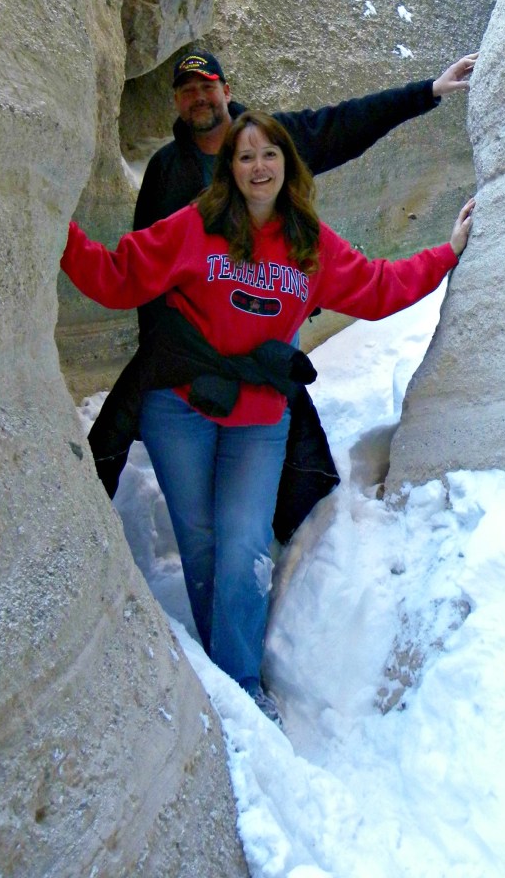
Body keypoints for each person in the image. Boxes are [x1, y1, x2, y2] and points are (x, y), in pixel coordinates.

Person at [62, 110, 475, 718]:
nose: (258, 167)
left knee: (245, 541)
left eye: (269, 155)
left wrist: (448, 251)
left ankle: (237, 684)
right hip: (180, 408)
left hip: (259, 416)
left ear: (287, 165)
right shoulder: (193, 228)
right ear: (230, 167)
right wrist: (53, 224)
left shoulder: (310, 245)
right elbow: (118, 278)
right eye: (245, 156)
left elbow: (380, 287)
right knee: (201, 540)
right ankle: (236, 685)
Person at [87, 46, 478, 539]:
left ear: (226, 92)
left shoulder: (270, 142)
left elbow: (343, 125)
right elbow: (143, 262)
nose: (199, 99)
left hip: (268, 328)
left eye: (207, 88)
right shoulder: (168, 170)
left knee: (296, 440)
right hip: (189, 339)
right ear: (177, 104)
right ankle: (80, 528)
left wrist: (428, 92)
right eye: (187, 92)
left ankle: (294, 539)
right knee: (112, 429)